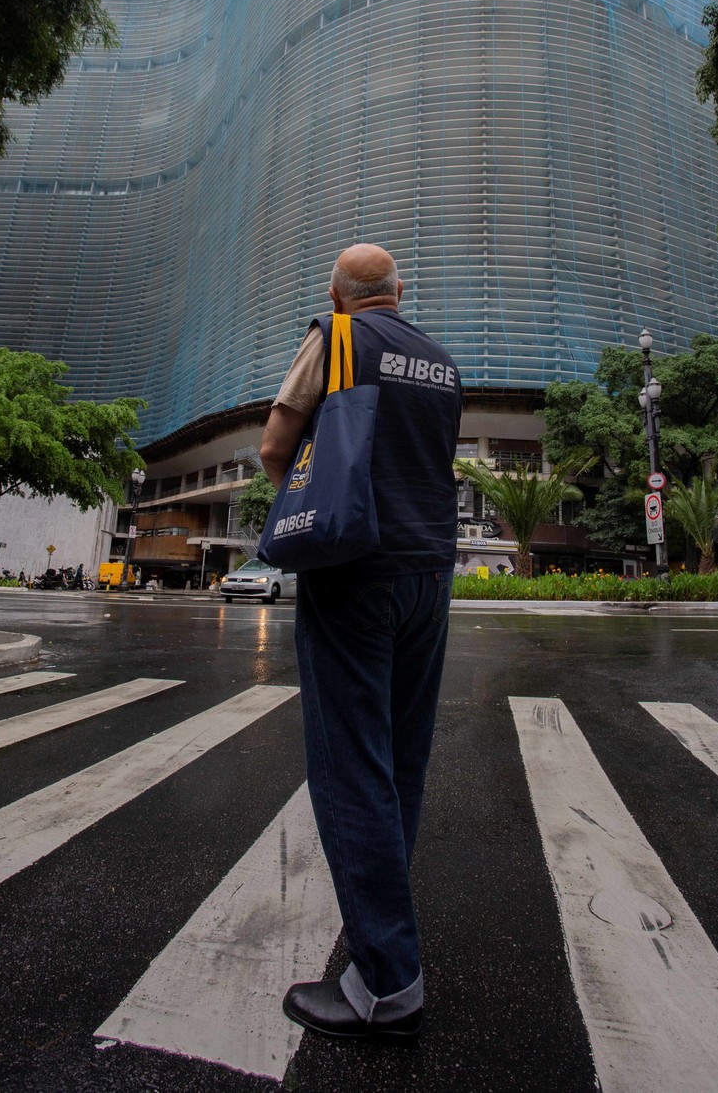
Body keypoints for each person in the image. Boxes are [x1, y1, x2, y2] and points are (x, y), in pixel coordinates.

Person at [260, 243, 462, 1043]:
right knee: (399, 762)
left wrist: (304, 512)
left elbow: (279, 445)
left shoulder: (335, 336)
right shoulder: (442, 362)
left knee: (350, 767)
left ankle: (387, 981)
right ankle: (381, 933)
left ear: (338, 293)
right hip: (428, 573)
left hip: (355, 567)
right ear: (401, 292)